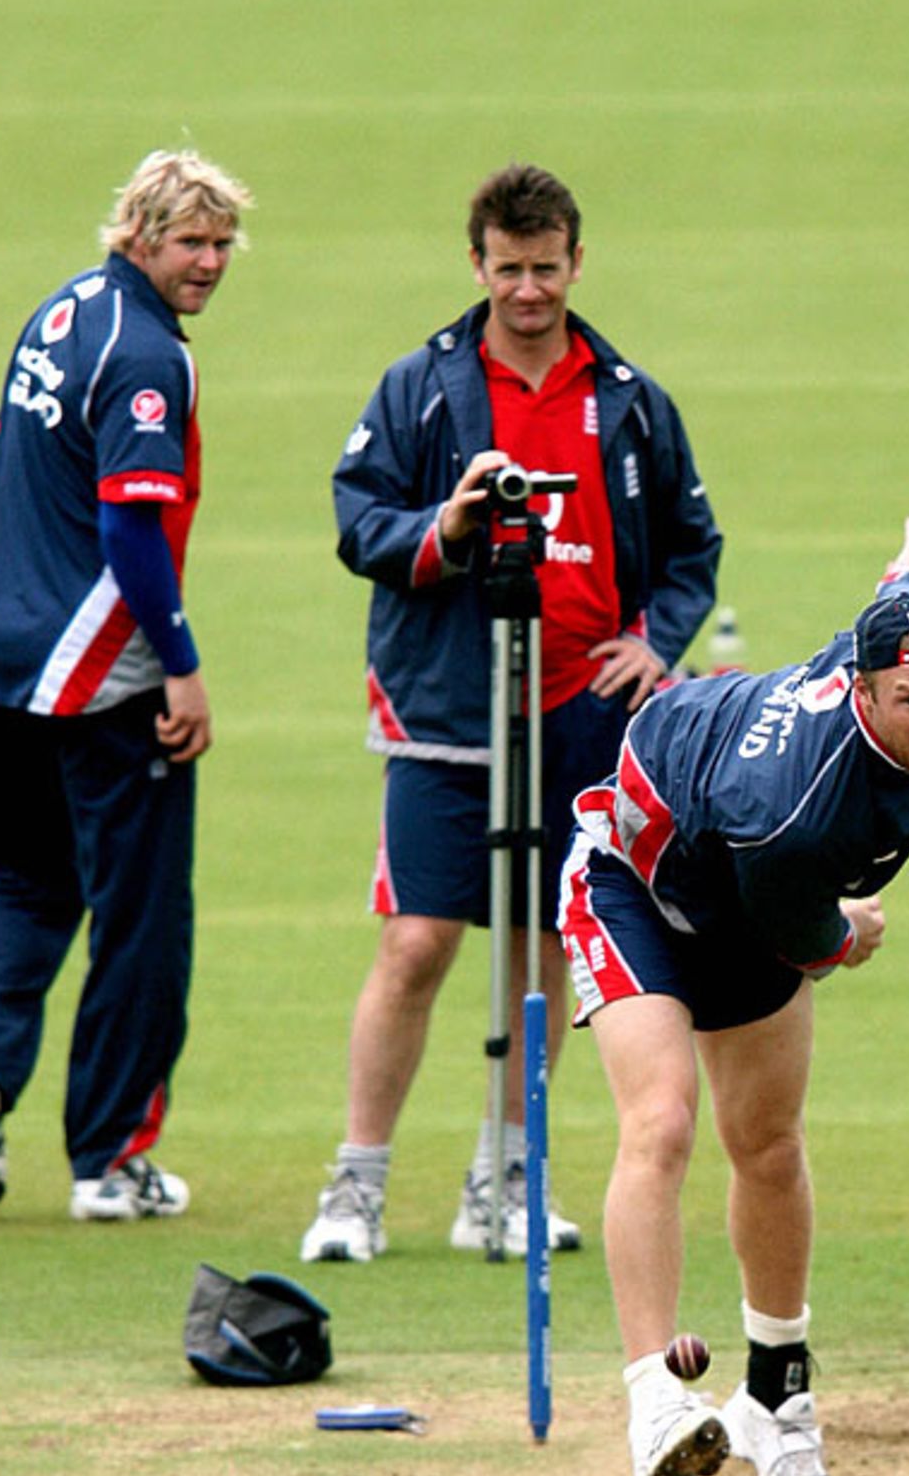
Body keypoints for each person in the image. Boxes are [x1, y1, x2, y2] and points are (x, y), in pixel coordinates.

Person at [300, 162, 722, 1263]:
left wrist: (656, 641)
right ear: (476, 265)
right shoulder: (423, 389)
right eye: (508, 269)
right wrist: (443, 529)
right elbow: (358, 522)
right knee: (418, 940)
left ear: (576, 263)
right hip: (447, 706)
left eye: (546, 268)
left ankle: (507, 1175)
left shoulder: (627, 397)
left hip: (585, 708)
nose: (528, 289)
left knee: (546, 947)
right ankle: (357, 1182)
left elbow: (692, 547)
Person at [557, 517, 909, 1476]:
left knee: (767, 1141)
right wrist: (845, 934)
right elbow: (808, 940)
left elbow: (880, 625)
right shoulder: (794, 807)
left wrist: (903, 581)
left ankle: (776, 1401)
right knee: (662, 1119)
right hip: (638, 883)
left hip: (752, 890)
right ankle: (655, 1396)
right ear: (864, 694)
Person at [0, 149, 253, 1221]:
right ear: (140, 234)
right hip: (105, 676)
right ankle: (109, 1158)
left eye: (220, 243)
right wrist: (183, 664)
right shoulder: (152, 354)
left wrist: (24, 583)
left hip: (2, 655)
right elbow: (131, 522)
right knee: (142, 917)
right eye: (188, 241)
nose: (207, 262)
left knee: (26, 884)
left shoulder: (61, 313)